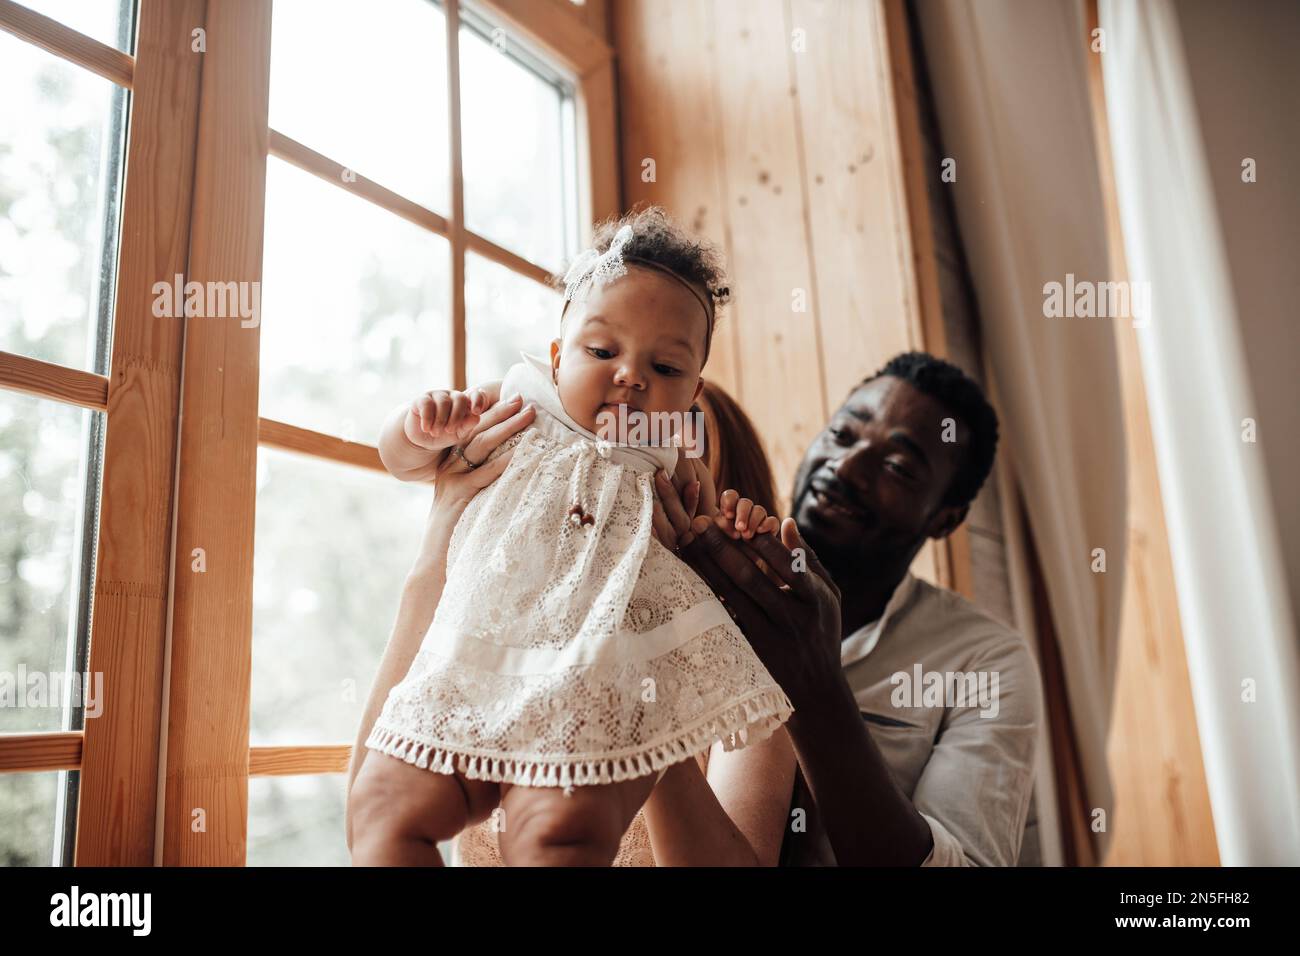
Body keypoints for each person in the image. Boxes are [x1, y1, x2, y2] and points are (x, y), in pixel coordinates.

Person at [348, 207, 792, 866]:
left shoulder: (666, 452)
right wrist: (418, 428)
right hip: (480, 674)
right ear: (558, 357)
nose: (632, 378)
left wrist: (735, 535)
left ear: (691, 395)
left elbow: (708, 533)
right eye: (603, 351)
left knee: (556, 835)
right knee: (382, 808)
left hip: (594, 689)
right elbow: (408, 461)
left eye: (666, 369)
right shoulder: (523, 404)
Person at [655, 352, 1044, 866]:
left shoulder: (984, 661)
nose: (847, 467)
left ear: (946, 518)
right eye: (842, 434)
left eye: (897, 467)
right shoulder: (705, 584)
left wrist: (816, 688)